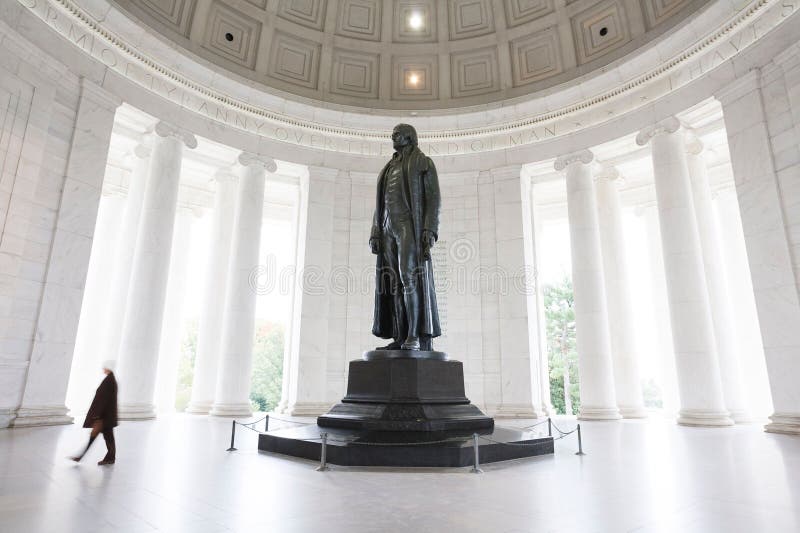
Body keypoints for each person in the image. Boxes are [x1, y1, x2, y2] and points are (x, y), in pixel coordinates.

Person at [370, 123, 441, 351]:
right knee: (394, 284)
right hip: (388, 226)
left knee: (409, 279)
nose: (393, 136)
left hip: (408, 224)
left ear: (409, 137)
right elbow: (380, 204)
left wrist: (429, 229)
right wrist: (375, 231)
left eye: (397, 134)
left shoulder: (423, 163)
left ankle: (414, 336)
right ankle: (400, 336)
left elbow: (433, 198)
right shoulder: (389, 167)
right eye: (392, 134)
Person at [71, 361, 118, 465]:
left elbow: (103, 400)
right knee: (106, 438)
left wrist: (97, 416)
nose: (103, 369)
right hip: (106, 417)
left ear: (109, 368)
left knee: (97, 437)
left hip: (104, 417)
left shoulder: (109, 381)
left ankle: (81, 456)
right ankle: (109, 458)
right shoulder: (110, 379)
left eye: (105, 367)